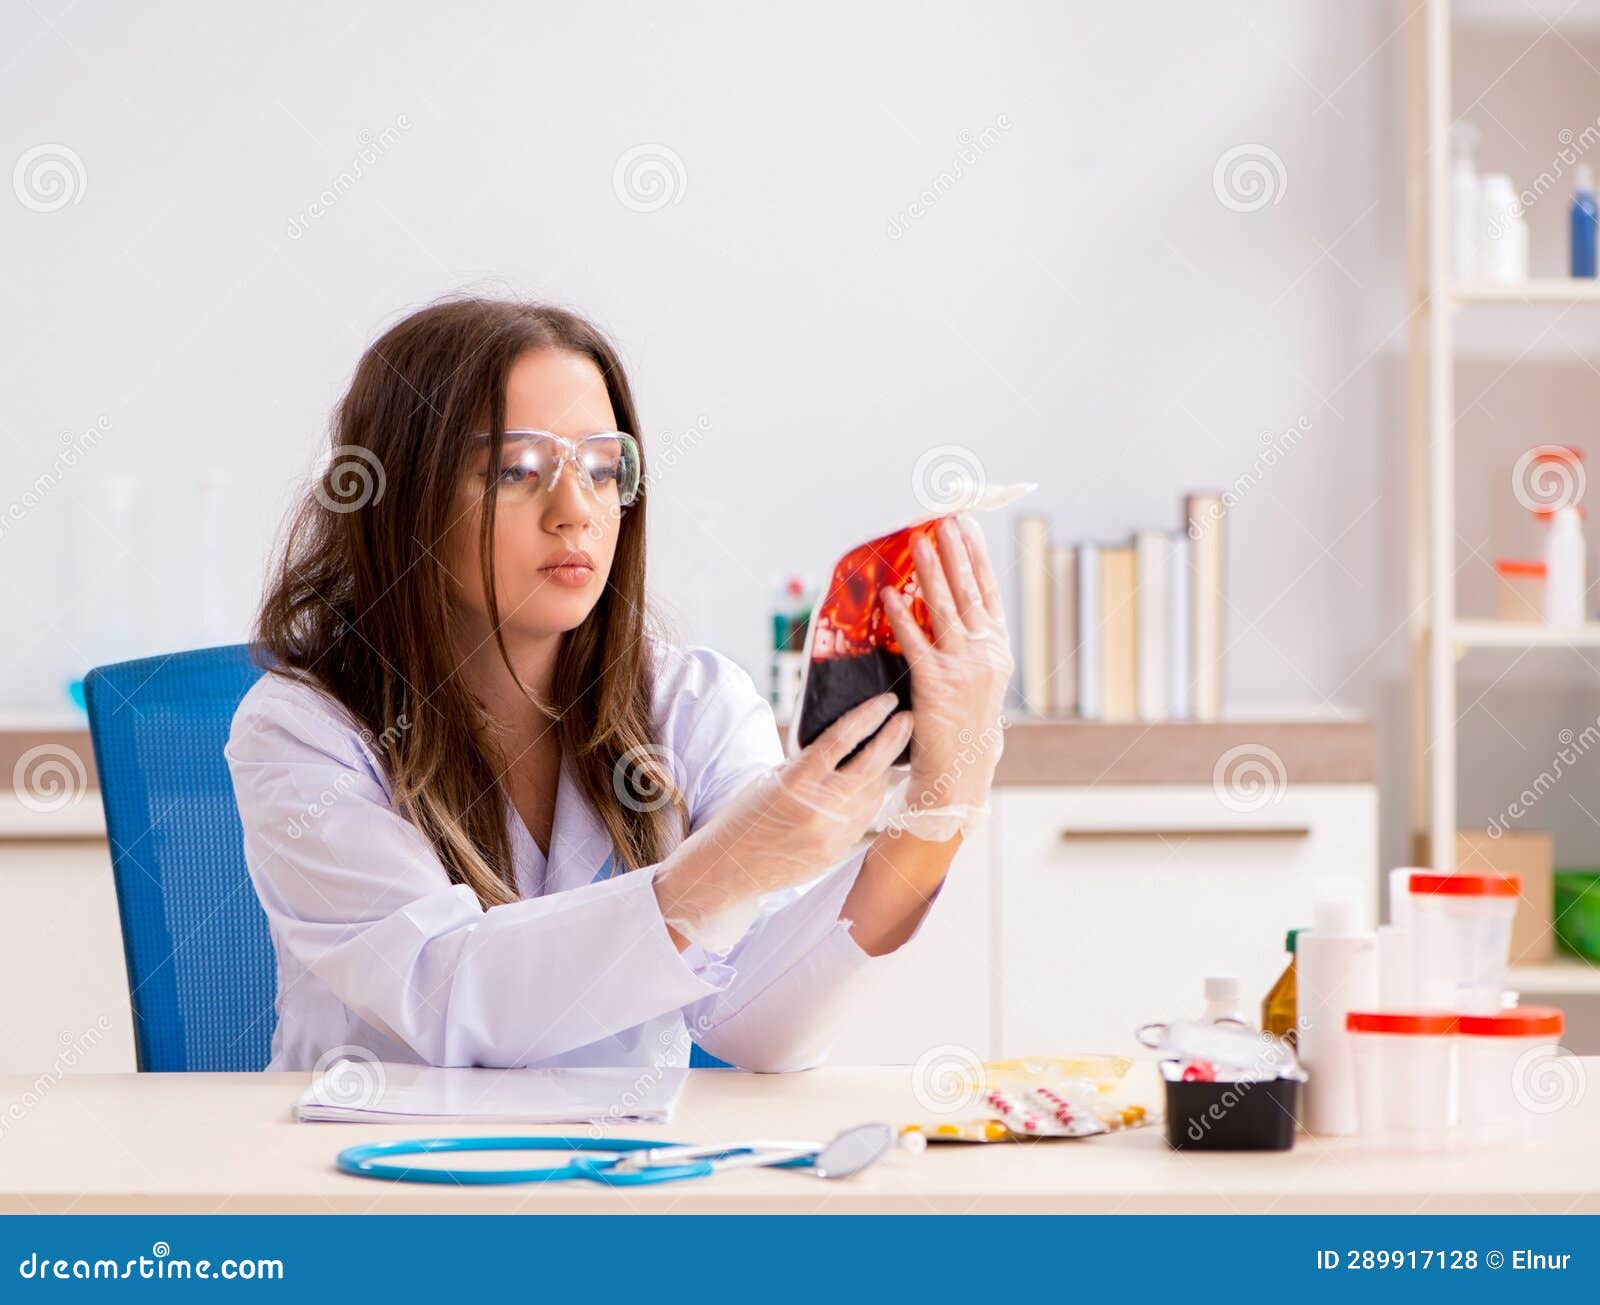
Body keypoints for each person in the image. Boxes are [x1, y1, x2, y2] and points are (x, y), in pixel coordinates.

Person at [226, 297, 1011, 1072]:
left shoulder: (692, 703)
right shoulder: (302, 731)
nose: (576, 512)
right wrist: (718, 872)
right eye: (514, 470)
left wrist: (941, 805)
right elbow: (445, 994)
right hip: (368, 1181)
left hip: (617, 1182)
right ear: (403, 499)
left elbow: (755, 1025)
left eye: (603, 469)